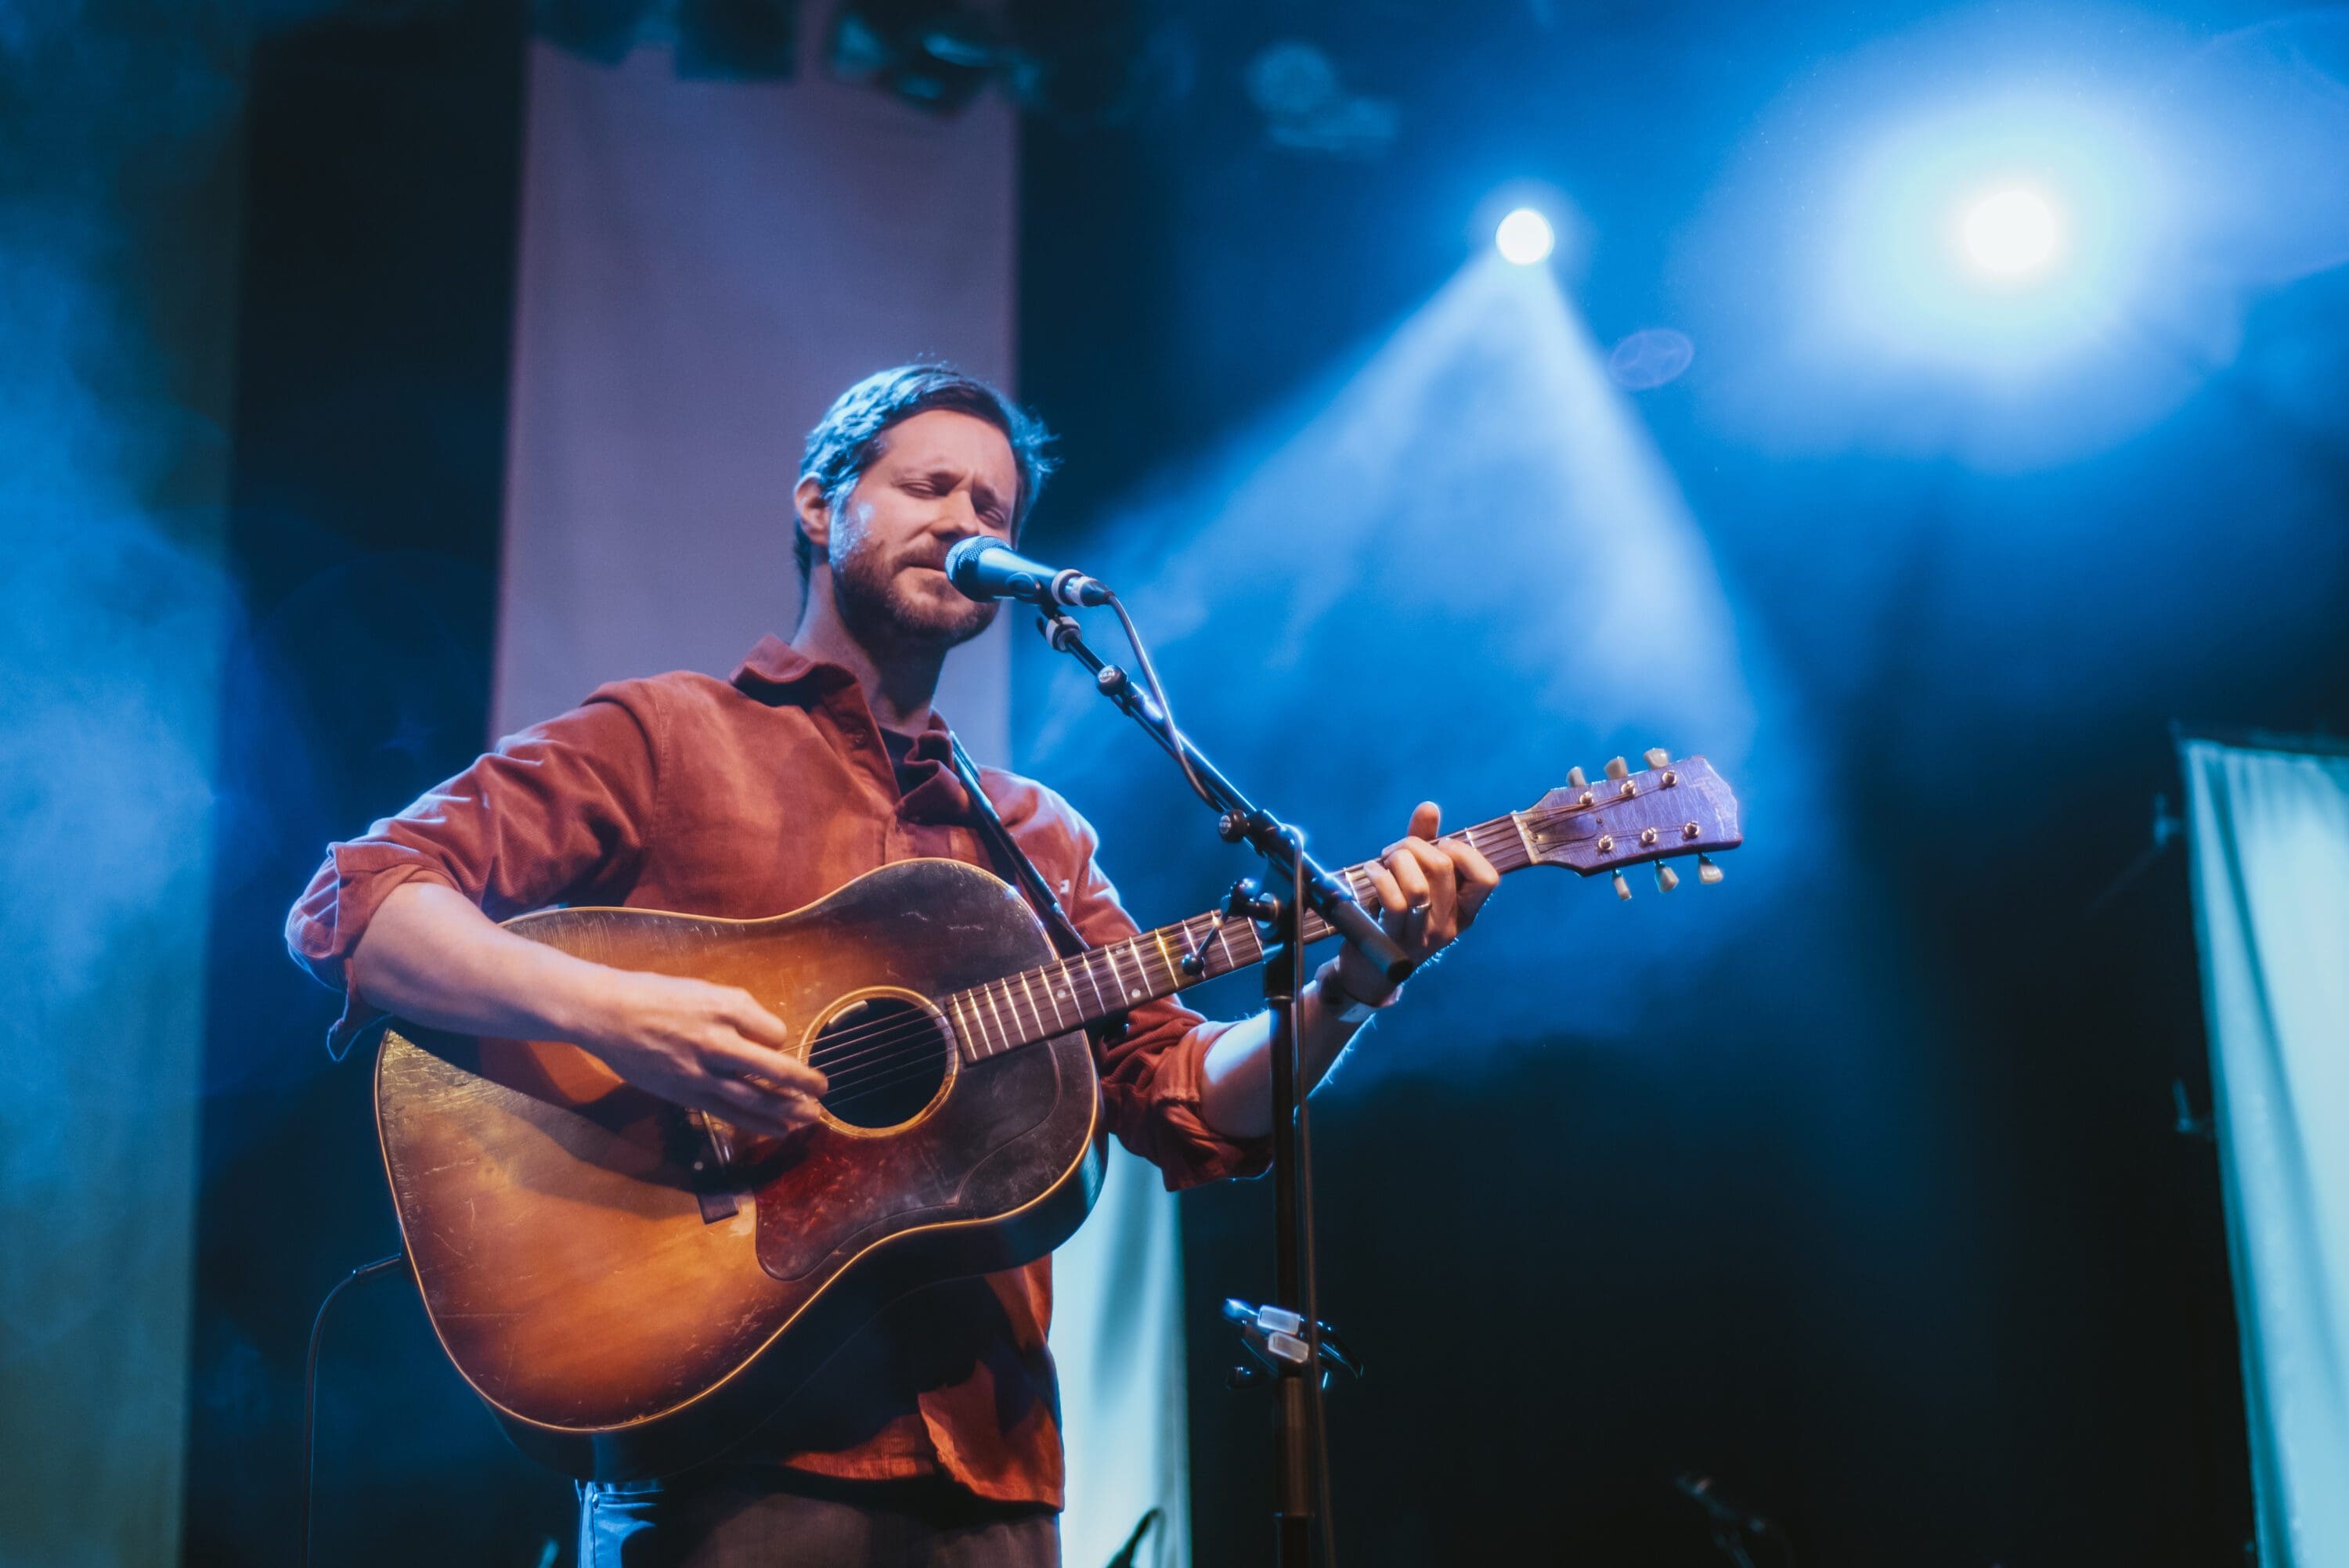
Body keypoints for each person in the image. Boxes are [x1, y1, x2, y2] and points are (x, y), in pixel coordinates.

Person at [287, 364, 1498, 1567]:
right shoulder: (663, 738)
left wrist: (1353, 988)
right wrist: (620, 1014)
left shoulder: (1035, 836)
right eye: (932, 488)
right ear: (822, 506)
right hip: (727, 1454)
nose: (968, 524)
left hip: (993, 1470)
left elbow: (1185, 1099)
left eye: (995, 511)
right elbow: (359, 902)